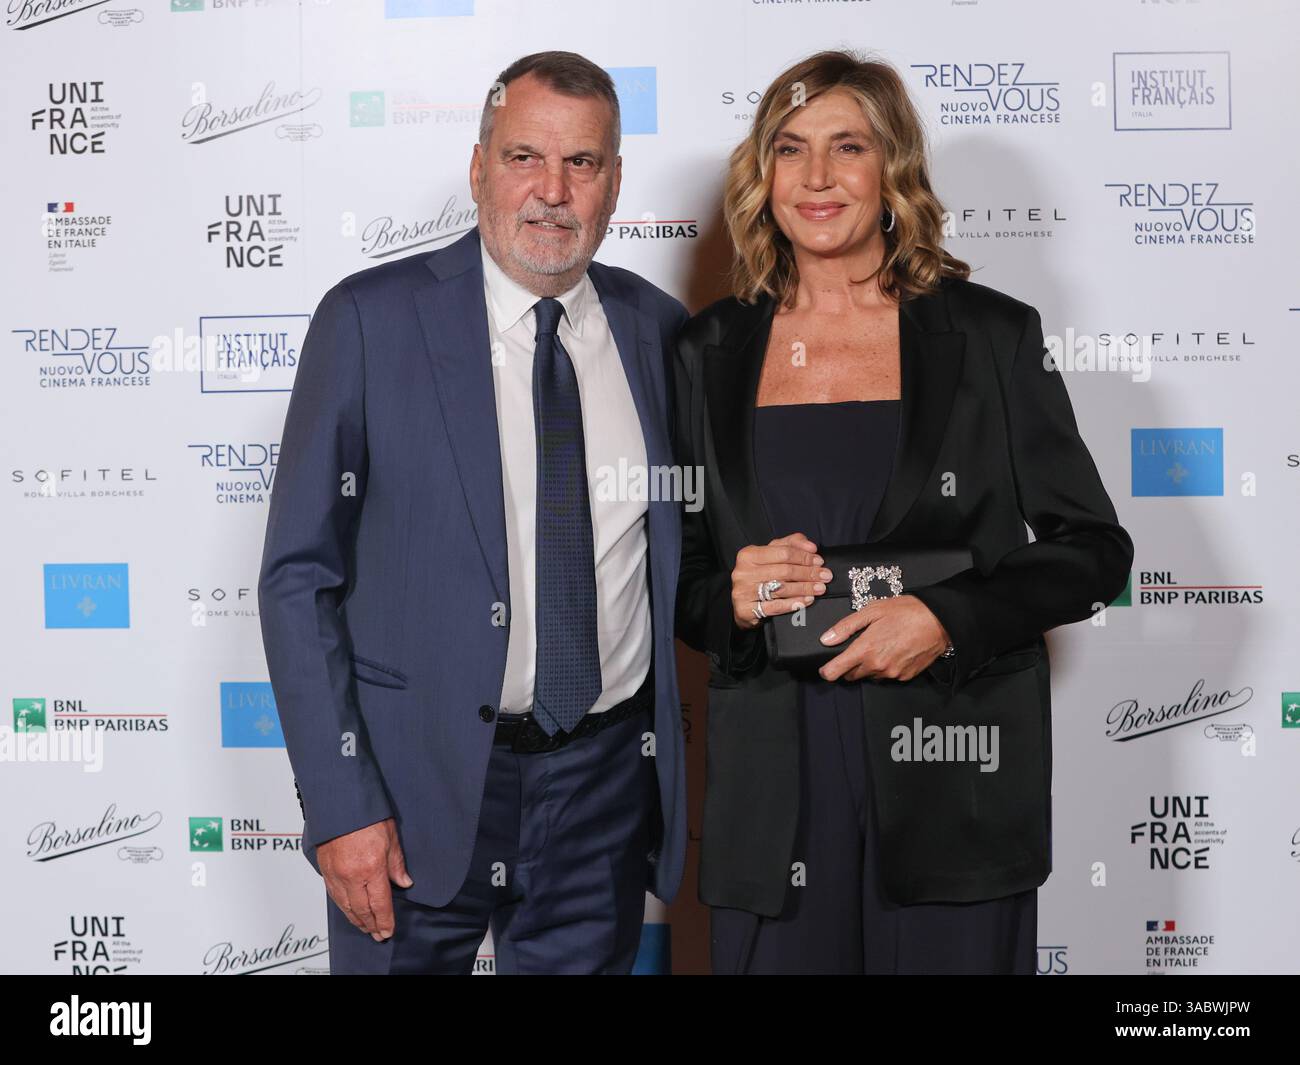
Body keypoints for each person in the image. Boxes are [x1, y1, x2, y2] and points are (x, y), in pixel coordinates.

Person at [672, 50, 1134, 974]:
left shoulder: (992, 337)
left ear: (893, 169)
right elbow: (677, 577)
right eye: (789, 149)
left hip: (952, 781)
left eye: (847, 146)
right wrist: (733, 595)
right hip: (776, 791)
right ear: (762, 177)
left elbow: (1095, 549)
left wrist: (946, 618)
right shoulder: (707, 349)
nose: (816, 178)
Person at [258, 51, 689, 975]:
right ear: (477, 166)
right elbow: (299, 577)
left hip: (602, 786)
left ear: (616, 180)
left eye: (582, 163)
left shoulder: (661, 331)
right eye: (523, 156)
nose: (551, 191)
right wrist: (341, 802)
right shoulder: (369, 321)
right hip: (410, 794)